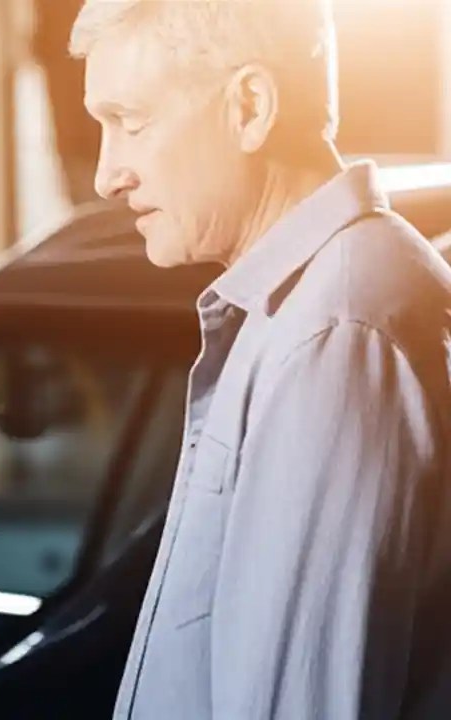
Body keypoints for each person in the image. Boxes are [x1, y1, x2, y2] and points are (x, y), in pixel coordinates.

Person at [70, 1, 451, 718]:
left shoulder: (336, 331)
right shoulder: (314, 306)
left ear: (249, 106)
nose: (106, 174)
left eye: (130, 122)